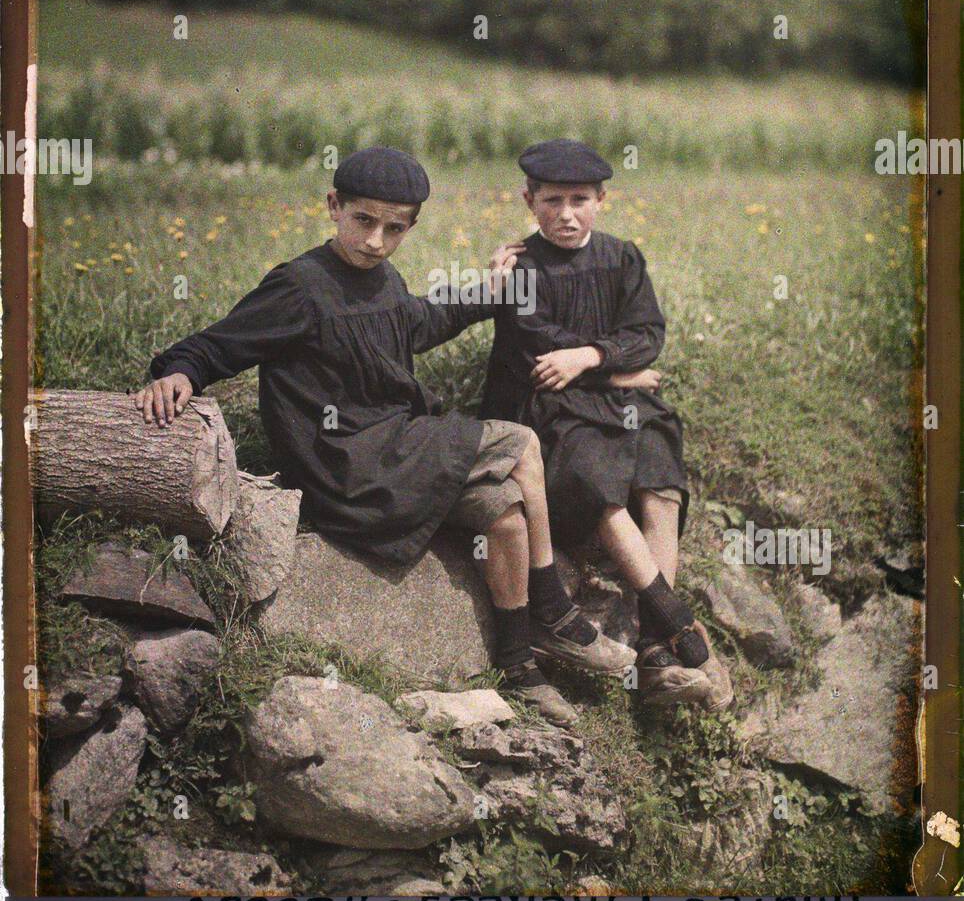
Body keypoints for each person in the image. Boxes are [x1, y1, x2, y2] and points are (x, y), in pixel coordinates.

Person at [136, 145, 633, 726]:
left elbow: (420, 323)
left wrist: (488, 292)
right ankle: (554, 609)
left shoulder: (383, 279)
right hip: (345, 462)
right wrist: (179, 370)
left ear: (410, 227)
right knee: (520, 442)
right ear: (333, 206)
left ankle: (520, 666)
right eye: (363, 221)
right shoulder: (300, 286)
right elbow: (224, 342)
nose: (375, 240)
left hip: (393, 453)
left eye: (394, 229)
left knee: (506, 514)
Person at [481, 139, 733, 710]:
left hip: (599, 393)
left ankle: (654, 649)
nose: (565, 215)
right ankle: (675, 617)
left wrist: (592, 359)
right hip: (550, 408)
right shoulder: (520, 267)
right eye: (551, 201)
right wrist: (620, 374)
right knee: (602, 484)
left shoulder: (622, 257)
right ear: (528, 200)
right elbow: (539, 358)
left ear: (600, 199)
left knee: (659, 481)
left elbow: (647, 334)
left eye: (578, 200)